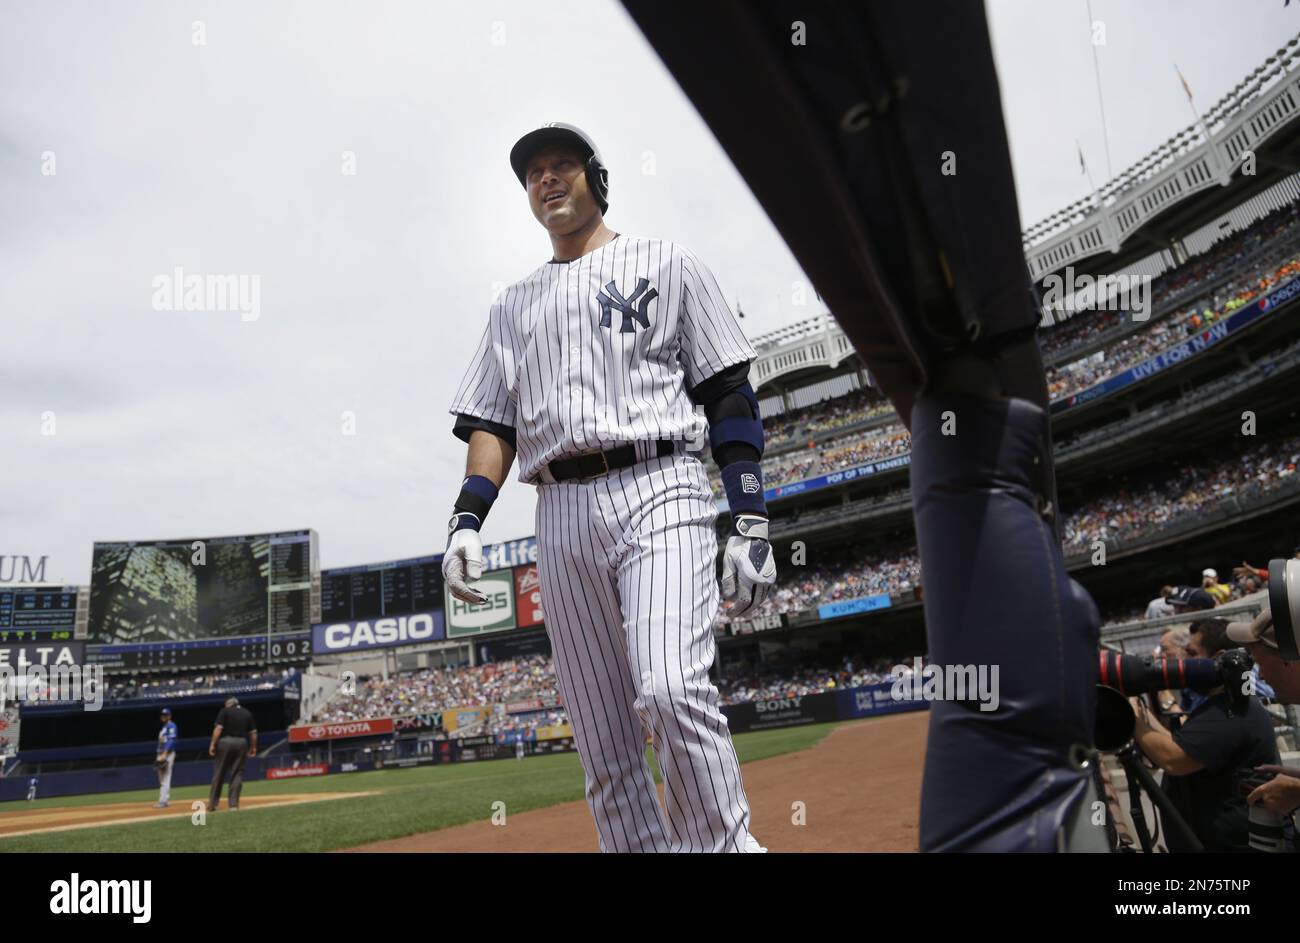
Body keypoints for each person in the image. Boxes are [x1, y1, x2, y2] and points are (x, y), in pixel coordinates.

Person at [442, 122, 774, 853]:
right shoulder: (512, 304)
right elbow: (491, 421)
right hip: (558, 507)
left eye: (563, 165)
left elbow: (728, 393)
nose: (547, 179)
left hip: (660, 481)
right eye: (534, 173)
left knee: (670, 688)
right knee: (601, 733)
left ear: (596, 178)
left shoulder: (666, 261)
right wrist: (466, 521)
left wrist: (750, 519)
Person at [1133, 618, 1280, 851]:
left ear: (1217, 659)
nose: (1182, 660)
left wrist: (1131, 714)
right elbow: (1177, 742)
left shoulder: (1232, 710)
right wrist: (1136, 706)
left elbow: (1174, 758)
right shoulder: (1222, 704)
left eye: (1191, 653)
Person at [207, 696, 257, 812]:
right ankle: (233, 805)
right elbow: (253, 733)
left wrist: (213, 744)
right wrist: (253, 747)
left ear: (229, 704)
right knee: (237, 774)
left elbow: (218, 729)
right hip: (242, 743)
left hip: (226, 742)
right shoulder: (247, 713)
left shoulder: (224, 711)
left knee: (219, 773)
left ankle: (213, 804)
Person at [154, 707, 177, 808]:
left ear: (169, 716)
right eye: (162, 715)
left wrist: (165, 753)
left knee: (165, 778)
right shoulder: (164, 727)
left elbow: (172, 740)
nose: (163, 716)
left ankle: (163, 801)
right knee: (162, 779)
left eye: (166, 715)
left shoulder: (171, 725)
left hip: (166, 754)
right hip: (161, 754)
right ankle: (165, 800)